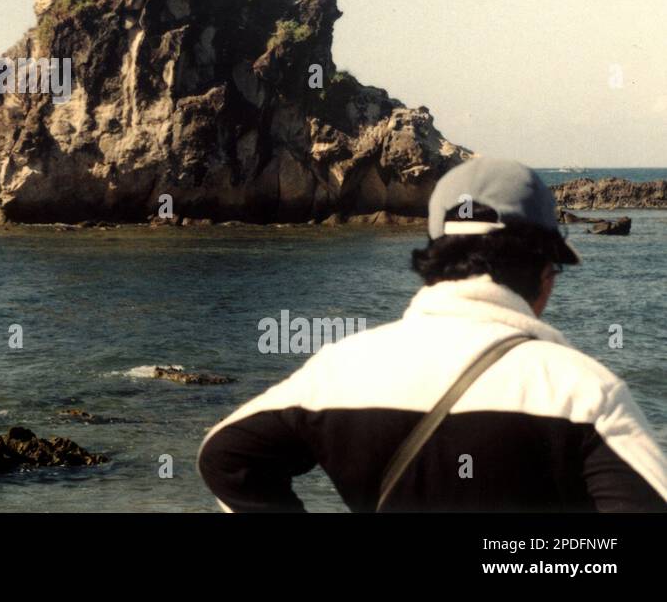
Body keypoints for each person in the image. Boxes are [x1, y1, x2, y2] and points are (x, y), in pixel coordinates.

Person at [197, 158, 667, 511]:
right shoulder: (578, 390)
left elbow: (224, 459)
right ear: (546, 273)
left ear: (436, 261)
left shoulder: (338, 367)